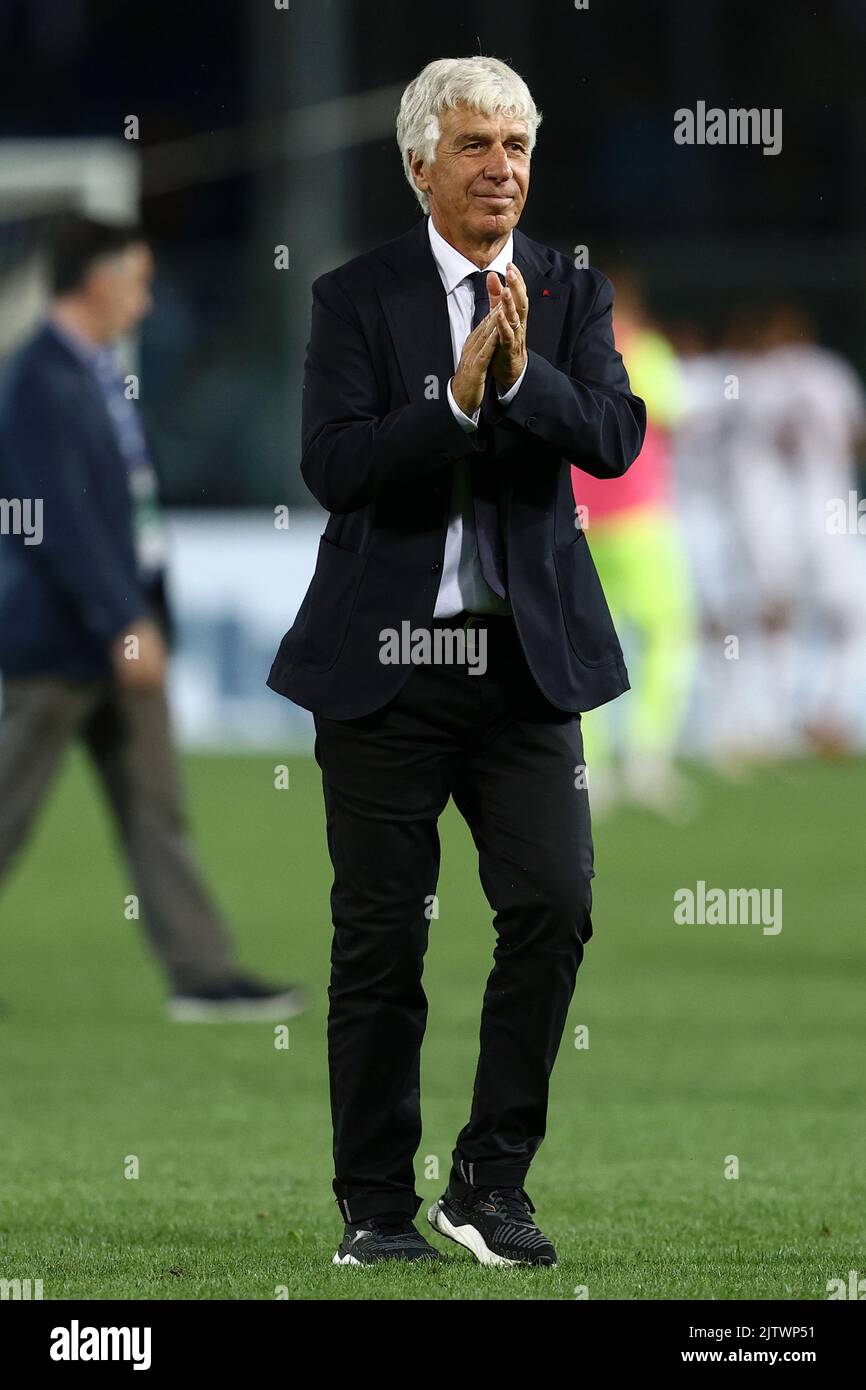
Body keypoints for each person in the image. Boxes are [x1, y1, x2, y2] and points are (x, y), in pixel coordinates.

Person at [268, 56, 645, 1266]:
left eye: (518, 148)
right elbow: (333, 464)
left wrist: (522, 381)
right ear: (419, 160)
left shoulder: (566, 292)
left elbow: (614, 435)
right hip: (386, 664)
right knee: (380, 940)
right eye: (477, 145)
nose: (503, 169)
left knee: (555, 903)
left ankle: (486, 1182)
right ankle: (376, 1207)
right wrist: (453, 403)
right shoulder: (352, 297)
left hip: (521, 667)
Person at [0, 216, 303, 1022]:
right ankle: (202, 972)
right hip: (65, 640)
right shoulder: (40, 376)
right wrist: (120, 619)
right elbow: (55, 517)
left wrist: (141, 616)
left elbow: (121, 511)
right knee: (8, 813)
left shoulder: (89, 371)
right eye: (136, 279)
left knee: (155, 810)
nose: (145, 298)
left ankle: (202, 974)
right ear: (95, 281)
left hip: (117, 633)